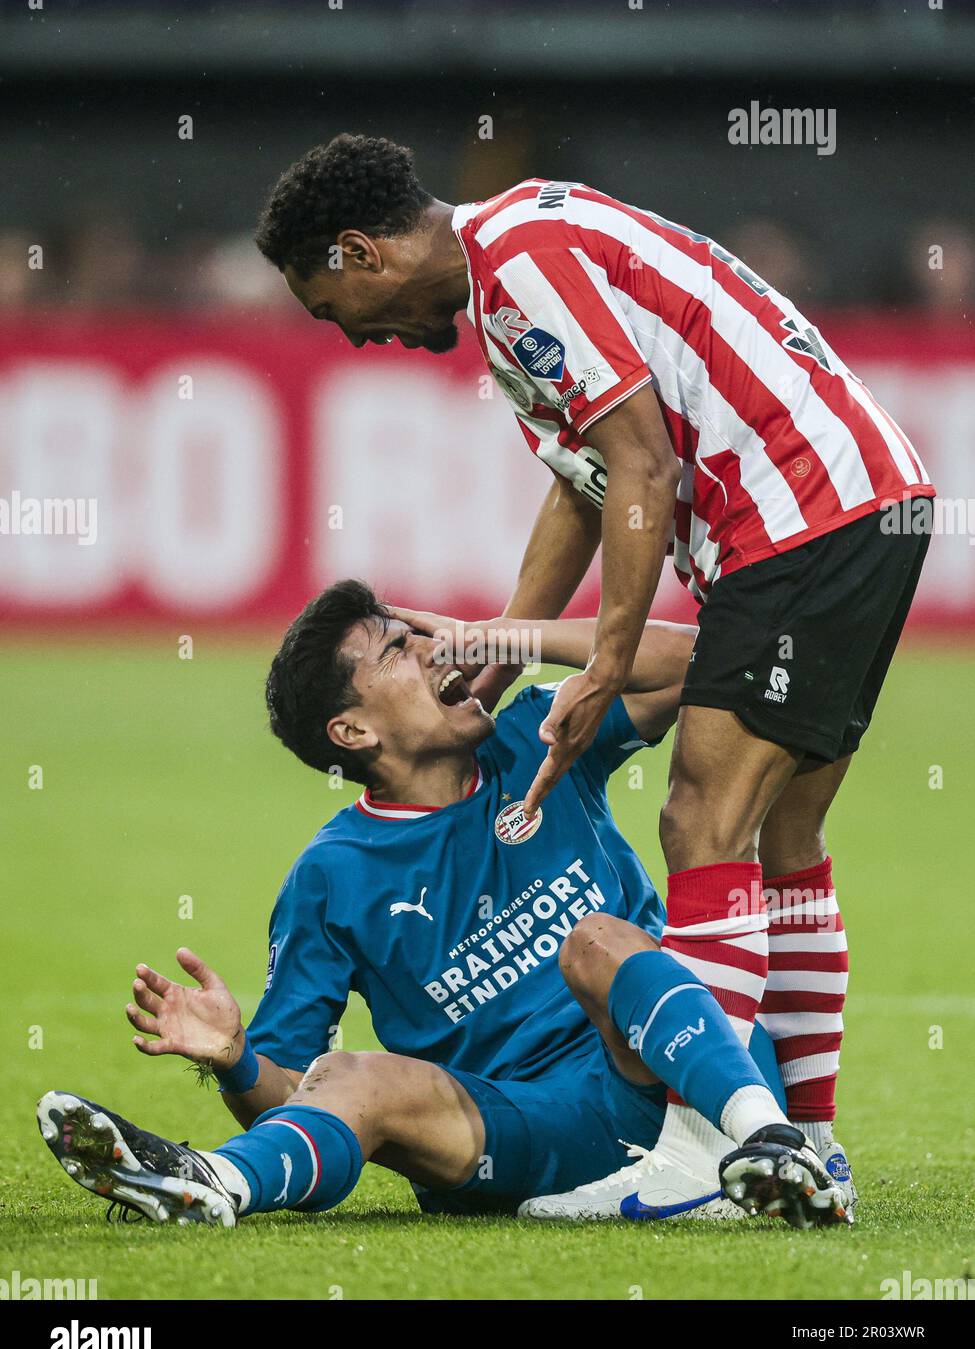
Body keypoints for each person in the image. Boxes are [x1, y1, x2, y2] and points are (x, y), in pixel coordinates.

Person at [253, 134, 933, 1188]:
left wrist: (606, 663)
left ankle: (711, 1152)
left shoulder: (518, 271)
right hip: (860, 499)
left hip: (796, 516)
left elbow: (641, 466)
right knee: (786, 833)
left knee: (699, 820)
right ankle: (808, 1139)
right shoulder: (516, 252)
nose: (354, 338)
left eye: (330, 307)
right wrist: (506, 653)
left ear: (361, 253)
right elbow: (583, 488)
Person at [37, 583, 850, 1228]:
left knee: (597, 941)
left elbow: (706, 660)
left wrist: (510, 637)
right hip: (526, 1128)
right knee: (354, 1076)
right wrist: (234, 1060)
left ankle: (765, 1143)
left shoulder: (536, 734)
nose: (435, 649)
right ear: (351, 732)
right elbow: (293, 1096)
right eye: (399, 649)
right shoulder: (330, 879)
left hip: (677, 1073)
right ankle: (211, 1178)